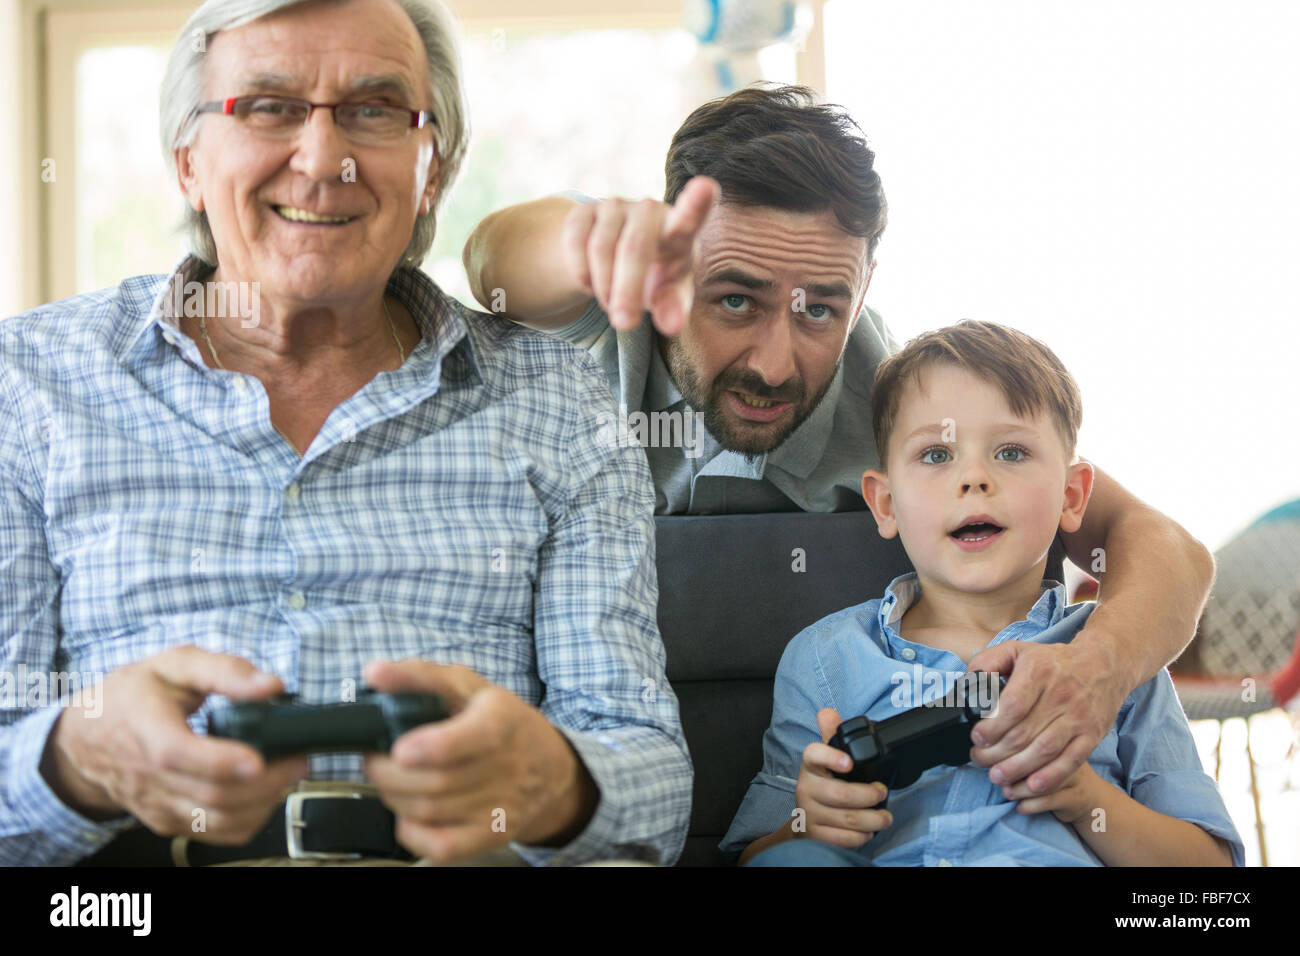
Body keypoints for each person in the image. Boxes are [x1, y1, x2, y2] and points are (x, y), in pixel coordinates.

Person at [0, 0, 690, 867]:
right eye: (268, 107)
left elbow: (650, 773)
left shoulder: (559, 403)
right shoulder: (25, 385)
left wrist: (554, 782)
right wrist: (77, 758)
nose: (324, 159)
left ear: (433, 167)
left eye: (373, 110)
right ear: (188, 162)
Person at [462, 84, 1217, 803]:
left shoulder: (909, 417)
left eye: (821, 311)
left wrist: (1101, 666)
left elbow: (1165, 548)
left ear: (864, 288)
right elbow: (493, 261)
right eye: (734, 299)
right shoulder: (611, 303)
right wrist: (580, 241)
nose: (773, 365)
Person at [721, 320, 1243, 865]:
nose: (973, 478)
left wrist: (1082, 797)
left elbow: (1208, 874)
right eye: (936, 456)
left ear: (1071, 495)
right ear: (886, 504)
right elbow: (753, 854)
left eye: (1011, 452)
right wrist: (814, 822)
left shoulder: (1120, 660)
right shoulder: (826, 658)